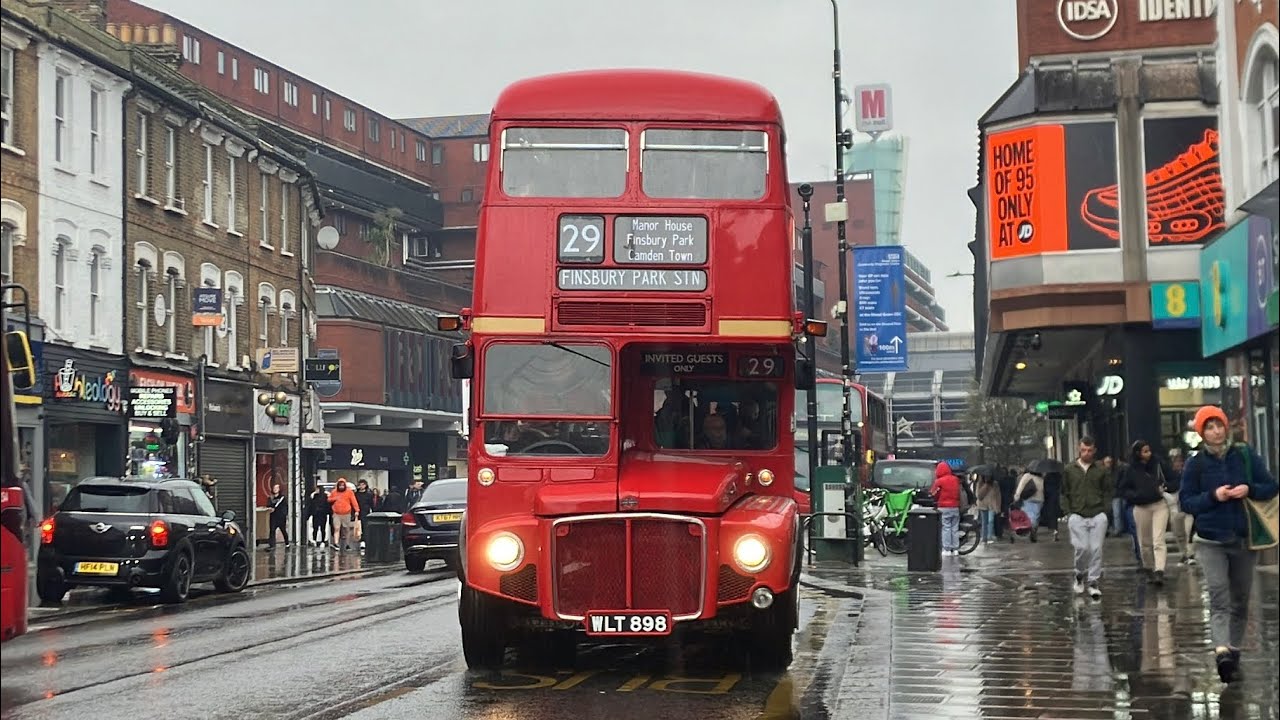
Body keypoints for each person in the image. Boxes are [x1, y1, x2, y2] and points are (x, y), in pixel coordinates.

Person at [1179, 405, 1278, 684]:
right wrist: (1214, 496)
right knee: (1219, 595)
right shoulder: (1195, 463)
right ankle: (1221, 650)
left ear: (1226, 427)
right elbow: (1186, 501)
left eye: (1218, 425)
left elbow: (1271, 486)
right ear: (1201, 433)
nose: (1215, 431)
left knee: (1241, 599)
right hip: (1209, 540)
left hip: (1243, 537)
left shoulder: (1244, 455)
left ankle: (1233, 651)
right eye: (1209, 427)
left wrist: (1250, 489)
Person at [1061, 436, 1112, 599]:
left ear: (1094, 451)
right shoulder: (1069, 470)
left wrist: (1105, 509)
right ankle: (1079, 573)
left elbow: (1108, 490)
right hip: (1077, 513)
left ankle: (1094, 581)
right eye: (1084, 450)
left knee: (1096, 548)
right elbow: (1064, 491)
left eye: (1090, 450)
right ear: (1078, 449)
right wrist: (1067, 511)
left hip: (1097, 512)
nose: (1086, 453)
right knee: (1082, 547)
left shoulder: (1101, 470)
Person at [1119, 440, 1170, 585]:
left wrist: (1165, 487)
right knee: (1144, 542)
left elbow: (1173, 479)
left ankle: (1159, 570)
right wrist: (1136, 496)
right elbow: (1122, 490)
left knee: (1158, 539)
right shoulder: (1130, 470)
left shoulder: (1158, 464)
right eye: (1145, 451)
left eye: (1149, 450)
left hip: (1159, 504)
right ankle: (1148, 567)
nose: (1149, 454)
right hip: (1141, 507)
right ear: (1137, 453)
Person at [930, 461, 963, 555]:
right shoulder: (955, 479)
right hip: (955, 507)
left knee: (946, 528)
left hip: (943, 507)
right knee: (954, 528)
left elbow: (934, 493)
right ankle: (955, 549)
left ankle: (947, 549)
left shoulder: (939, 481)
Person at [1012, 467, 1045, 542]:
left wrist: (1016, 497)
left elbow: (1021, 486)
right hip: (1039, 499)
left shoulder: (1027, 476)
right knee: (1036, 516)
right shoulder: (1041, 479)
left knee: (1027, 515)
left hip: (1028, 499)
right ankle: (1033, 529)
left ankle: (1028, 530)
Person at [327, 478, 360, 551]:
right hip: (336, 513)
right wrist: (335, 498)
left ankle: (347, 544)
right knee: (337, 528)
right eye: (340, 485)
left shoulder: (349, 492)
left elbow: (354, 501)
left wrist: (357, 510)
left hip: (346, 513)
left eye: (342, 485)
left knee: (346, 529)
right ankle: (336, 543)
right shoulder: (334, 492)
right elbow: (329, 499)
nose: (341, 486)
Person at [974, 472, 1001, 544]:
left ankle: (989, 537)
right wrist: (986, 486)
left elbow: (998, 495)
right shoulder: (980, 483)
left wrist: (998, 506)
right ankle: (984, 538)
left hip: (992, 505)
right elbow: (979, 496)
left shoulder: (995, 484)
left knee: (990, 520)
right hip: (983, 505)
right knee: (984, 522)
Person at [266, 483, 289, 549]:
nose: (275, 489)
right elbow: (268, 505)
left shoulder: (282, 498)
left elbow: (285, 507)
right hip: (273, 517)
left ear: (279, 489)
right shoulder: (270, 498)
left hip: (281, 517)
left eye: (276, 488)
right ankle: (272, 545)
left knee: (283, 530)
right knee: (272, 530)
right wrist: (269, 508)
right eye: (274, 488)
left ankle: (287, 543)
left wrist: (285, 515)